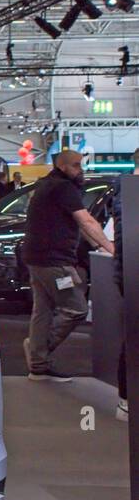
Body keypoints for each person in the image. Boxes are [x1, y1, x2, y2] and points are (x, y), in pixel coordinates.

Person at [22, 149, 114, 382]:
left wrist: (99, 245)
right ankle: (37, 351)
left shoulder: (45, 185)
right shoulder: (64, 188)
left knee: (42, 310)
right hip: (55, 262)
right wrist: (112, 249)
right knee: (76, 308)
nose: (80, 169)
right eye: (75, 165)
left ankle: (38, 367)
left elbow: (81, 225)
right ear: (63, 167)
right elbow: (86, 220)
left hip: (36, 258)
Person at [111, 151, 134, 420]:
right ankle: (126, 400)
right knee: (132, 339)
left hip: (126, 273)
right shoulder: (128, 193)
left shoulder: (122, 191)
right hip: (131, 275)